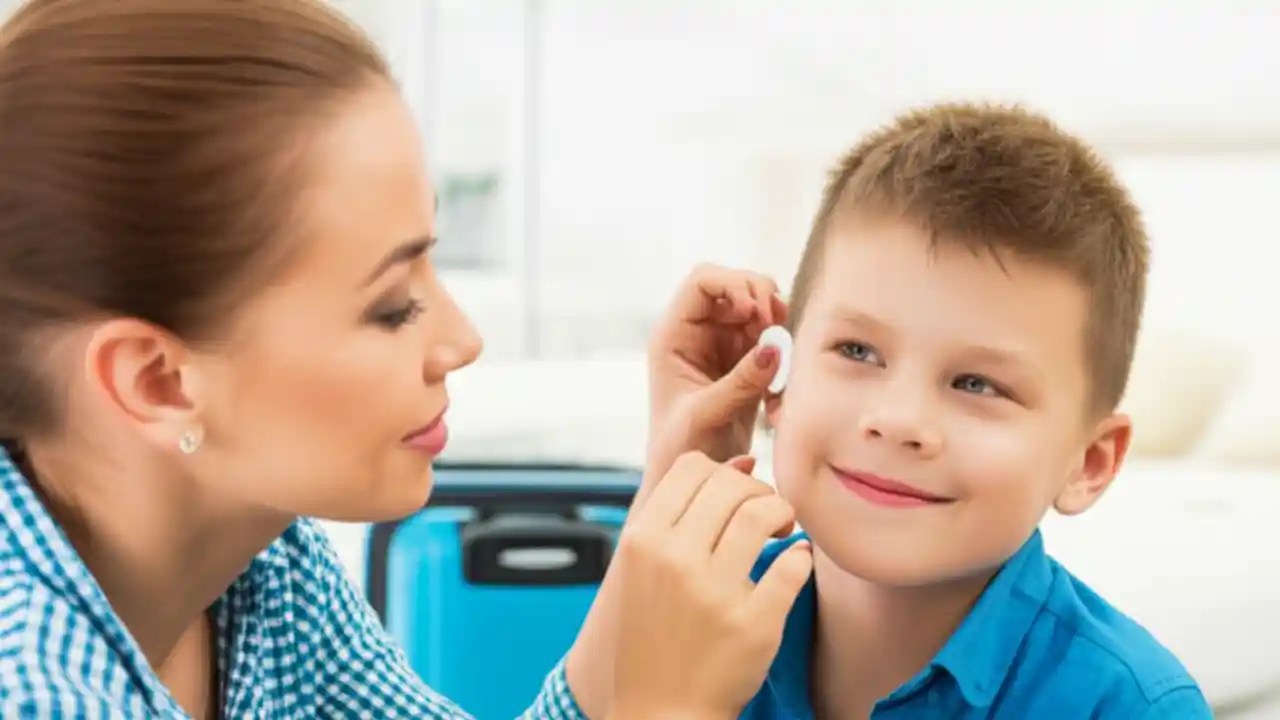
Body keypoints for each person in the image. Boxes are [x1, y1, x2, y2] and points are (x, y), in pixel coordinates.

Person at [0, 1, 811, 717]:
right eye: (392, 307)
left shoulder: (262, 562)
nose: (461, 340)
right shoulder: (30, 685)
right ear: (158, 382)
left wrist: (663, 522)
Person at [571, 104, 1215, 718]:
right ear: (777, 377)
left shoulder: (1128, 706)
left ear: (1090, 463)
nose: (899, 419)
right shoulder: (687, 613)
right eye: (857, 350)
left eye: (977, 384)